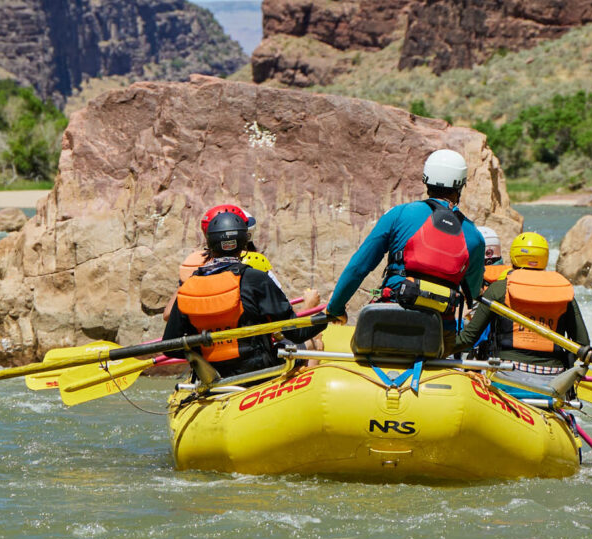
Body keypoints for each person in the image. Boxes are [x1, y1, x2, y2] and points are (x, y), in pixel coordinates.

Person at [324, 149, 486, 326]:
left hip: (391, 316)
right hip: (437, 330)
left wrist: (335, 308)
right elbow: (473, 292)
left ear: (425, 180)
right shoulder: (474, 236)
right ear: (460, 185)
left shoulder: (398, 214)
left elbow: (358, 267)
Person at [163, 211, 319, 378]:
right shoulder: (256, 279)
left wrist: (204, 350)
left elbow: (171, 346)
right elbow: (295, 334)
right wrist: (326, 316)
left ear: (210, 245)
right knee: (313, 344)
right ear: (244, 244)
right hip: (257, 372)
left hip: (213, 375)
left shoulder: (190, 285)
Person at [454, 231, 589, 368]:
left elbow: (468, 339)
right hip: (553, 376)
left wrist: (439, 348)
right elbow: (583, 344)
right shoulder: (564, 292)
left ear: (514, 256)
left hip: (506, 372)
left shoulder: (499, 289)